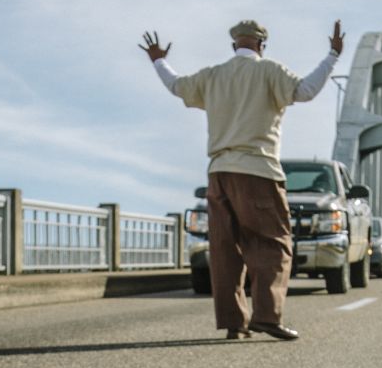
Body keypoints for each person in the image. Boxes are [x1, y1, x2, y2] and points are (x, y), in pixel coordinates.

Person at [142, 20, 345, 341]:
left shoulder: (213, 75)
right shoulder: (269, 71)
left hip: (219, 173)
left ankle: (234, 323)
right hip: (258, 170)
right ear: (262, 44)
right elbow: (306, 90)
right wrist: (332, 55)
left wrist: (158, 61)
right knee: (273, 245)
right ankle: (267, 316)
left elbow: (176, 86)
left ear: (234, 44)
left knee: (225, 250)